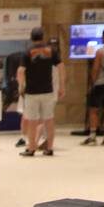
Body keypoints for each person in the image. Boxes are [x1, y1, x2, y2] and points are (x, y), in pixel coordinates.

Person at [17, 28, 60, 156]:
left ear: (31, 37)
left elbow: (20, 71)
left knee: (32, 120)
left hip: (32, 92)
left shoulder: (28, 52)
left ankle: (31, 148)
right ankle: (50, 148)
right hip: (47, 90)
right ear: (43, 37)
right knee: (49, 120)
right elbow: (61, 67)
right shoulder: (51, 51)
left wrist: (21, 86)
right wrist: (62, 86)